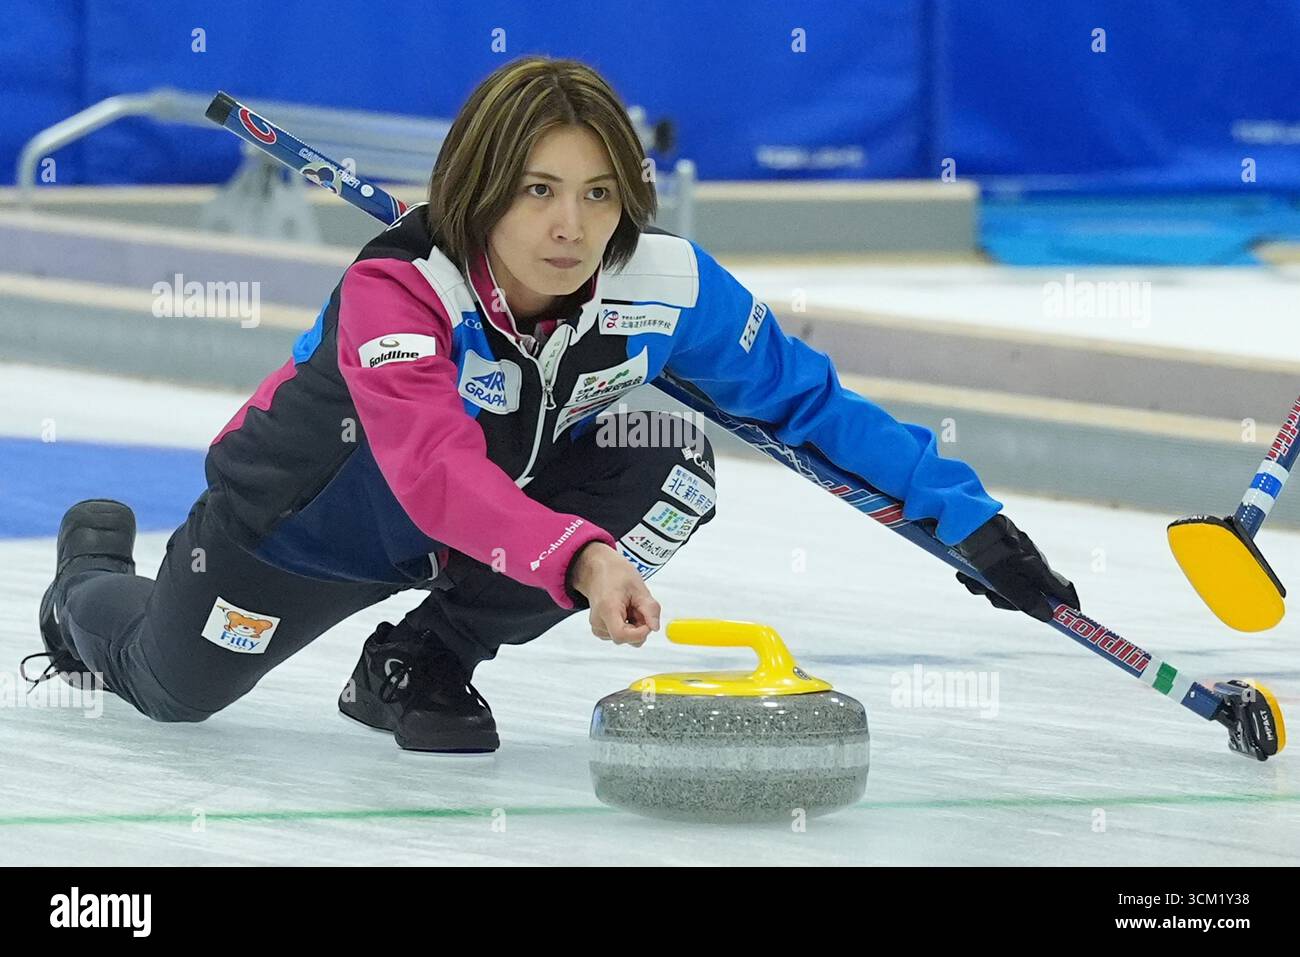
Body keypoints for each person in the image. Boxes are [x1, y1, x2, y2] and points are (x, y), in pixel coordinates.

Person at [23, 56, 1079, 753]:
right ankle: (86, 579)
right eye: (537, 190)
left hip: (493, 530)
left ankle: (422, 658)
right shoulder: (398, 289)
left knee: (669, 457)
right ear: (482, 185)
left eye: (597, 193)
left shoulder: (664, 283)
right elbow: (430, 470)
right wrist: (577, 554)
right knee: (170, 690)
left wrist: (972, 523)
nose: (571, 227)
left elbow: (809, 405)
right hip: (292, 535)